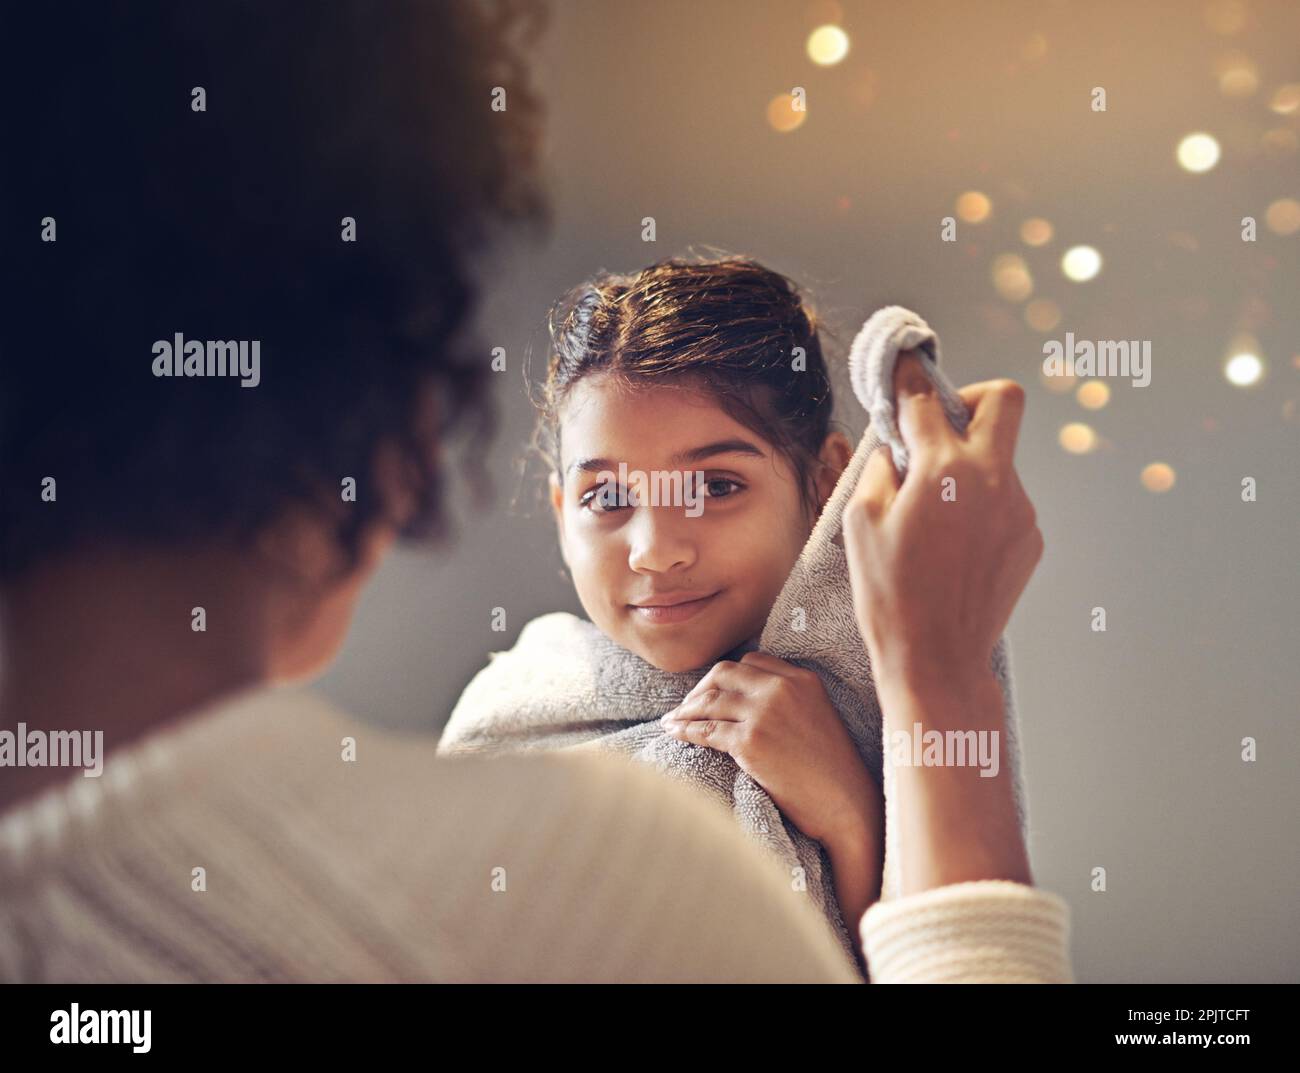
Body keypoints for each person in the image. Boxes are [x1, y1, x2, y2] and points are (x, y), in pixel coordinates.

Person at [0, 0, 1071, 983]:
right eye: (607, 498)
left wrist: (849, 803)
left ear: (827, 477)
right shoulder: (574, 823)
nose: (655, 547)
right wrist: (940, 675)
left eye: (713, 482)